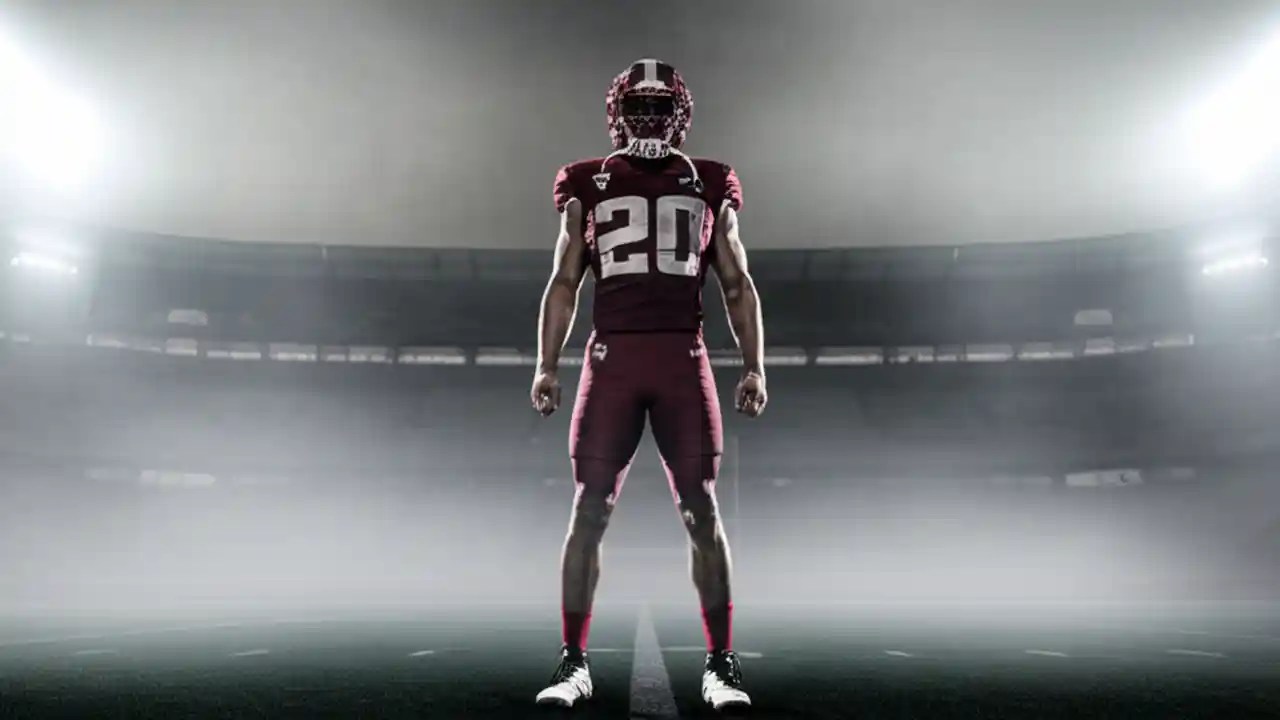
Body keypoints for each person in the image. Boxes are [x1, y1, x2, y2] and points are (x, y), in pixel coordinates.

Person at [529, 58, 766, 712]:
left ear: (680, 113)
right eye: (642, 107)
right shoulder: (587, 181)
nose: (652, 119)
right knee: (589, 509)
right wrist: (546, 364)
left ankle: (721, 663)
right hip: (612, 360)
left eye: (662, 108)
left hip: (682, 359)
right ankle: (574, 660)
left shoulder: (709, 180)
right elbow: (564, 280)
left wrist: (755, 364)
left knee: (702, 511)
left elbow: (737, 281)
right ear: (619, 112)